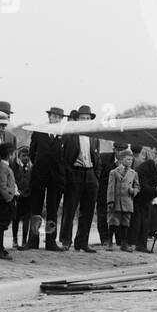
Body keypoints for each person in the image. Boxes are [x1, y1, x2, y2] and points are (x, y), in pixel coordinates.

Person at [60, 104, 100, 253]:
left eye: (87, 118)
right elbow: (63, 158)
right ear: (77, 119)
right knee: (69, 209)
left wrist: (96, 176)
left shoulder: (94, 137)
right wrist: (68, 173)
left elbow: (97, 158)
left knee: (88, 210)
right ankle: (66, 241)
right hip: (75, 173)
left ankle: (82, 242)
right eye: (82, 118)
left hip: (90, 174)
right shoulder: (70, 134)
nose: (85, 120)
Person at [27, 105, 67, 250]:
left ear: (61, 120)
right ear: (49, 117)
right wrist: (40, 166)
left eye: (58, 117)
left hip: (56, 177)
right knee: (36, 208)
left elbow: (68, 156)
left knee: (52, 210)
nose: (55, 119)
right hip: (39, 175)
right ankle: (33, 240)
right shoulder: (39, 131)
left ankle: (50, 241)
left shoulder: (65, 134)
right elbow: (32, 153)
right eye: (53, 116)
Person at [107, 149, 140, 252]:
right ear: (121, 160)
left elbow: (138, 187)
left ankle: (124, 243)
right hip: (116, 201)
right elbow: (110, 187)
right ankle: (109, 242)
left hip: (127, 202)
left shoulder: (133, 173)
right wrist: (110, 201)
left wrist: (134, 191)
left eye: (131, 160)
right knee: (113, 222)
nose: (130, 161)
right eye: (128, 159)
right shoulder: (114, 172)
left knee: (125, 223)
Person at [0, 142, 18, 258]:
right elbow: (2, 185)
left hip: (5, 200)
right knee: (0, 226)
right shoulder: (3, 167)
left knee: (1, 225)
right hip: (3, 201)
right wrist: (9, 197)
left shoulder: (4, 167)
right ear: (10, 155)